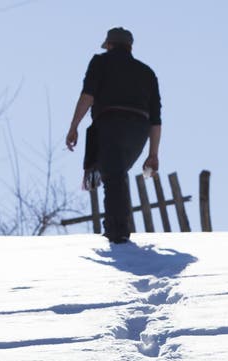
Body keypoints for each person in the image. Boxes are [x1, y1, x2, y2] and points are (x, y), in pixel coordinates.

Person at [66, 27, 162, 244]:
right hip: (139, 131)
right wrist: (153, 154)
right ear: (130, 47)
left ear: (109, 45)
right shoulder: (147, 73)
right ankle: (118, 229)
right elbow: (156, 120)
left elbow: (88, 95)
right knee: (117, 173)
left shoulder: (100, 62)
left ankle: (117, 233)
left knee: (114, 175)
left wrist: (74, 126)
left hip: (110, 123)